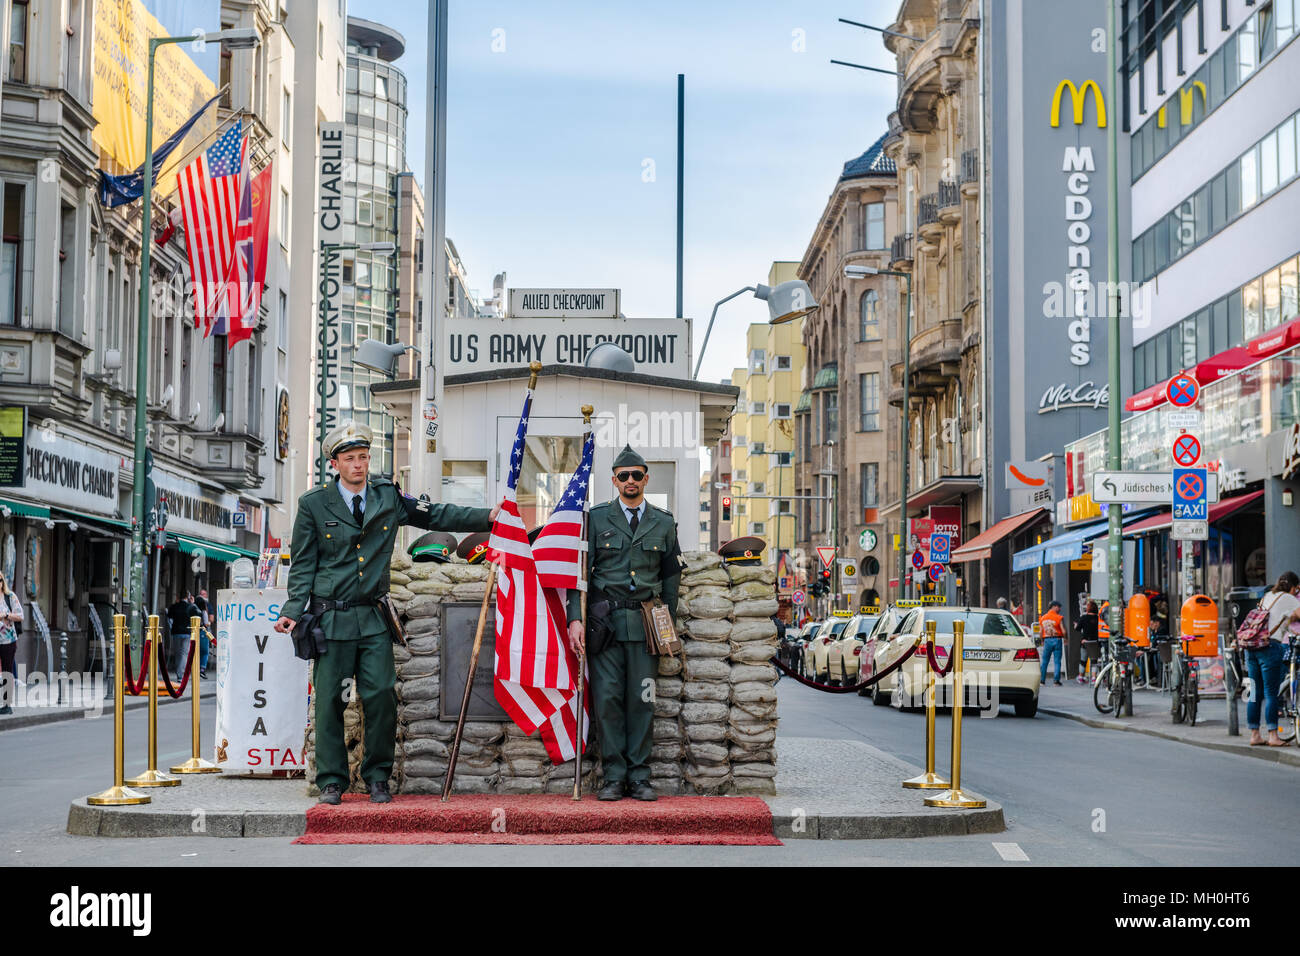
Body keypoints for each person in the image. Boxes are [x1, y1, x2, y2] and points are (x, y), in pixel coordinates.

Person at [274, 421, 497, 805]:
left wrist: (487, 517)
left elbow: (436, 514)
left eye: (363, 457)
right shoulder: (313, 504)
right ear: (334, 463)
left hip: (374, 618)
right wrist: (293, 609)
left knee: (381, 695)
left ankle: (378, 776)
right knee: (329, 700)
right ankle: (332, 780)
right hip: (331, 619)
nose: (358, 465)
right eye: (350, 459)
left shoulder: (387, 497)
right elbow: (304, 563)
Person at [566, 445, 682, 802]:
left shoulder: (663, 522)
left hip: (646, 624)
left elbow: (671, 578)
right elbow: (580, 574)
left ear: (646, 478)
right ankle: (614, 776)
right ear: (614, 480)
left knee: (643, 699)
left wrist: (668, 627)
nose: (630, 481)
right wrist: (575, 619)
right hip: (606, 624)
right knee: (608, 700)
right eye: (623, 475)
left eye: (636, 475)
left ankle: (640, 776)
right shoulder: (597, 518)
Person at [1246, 571, 1300, 747]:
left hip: (1251, 647)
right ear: (1293, 587)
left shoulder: (1268, 595)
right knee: (1271, 693)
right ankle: (1273, 736)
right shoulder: (1290, 599)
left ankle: (1254, 734)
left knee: (1254, 692)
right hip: (1269, 647)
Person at [0, 573, 23, 715]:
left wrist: (6, 615)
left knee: (8, 671)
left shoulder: (10, 597)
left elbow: (20, 616)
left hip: (8, 641)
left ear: (2, 582)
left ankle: (7, 705)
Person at [166, 592, 202, 678]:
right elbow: (199, 614)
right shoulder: (190, 606)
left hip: (176, 632)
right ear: (188, 597)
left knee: (178, 653)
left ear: (178, 596)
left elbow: (169, 615)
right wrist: (193, 603)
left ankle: (179, 671)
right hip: (187, 632)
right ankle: (181, 673)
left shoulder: (174, 606)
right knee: (184, 653)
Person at [1038, 600, 1065, 685]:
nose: (1060, 608)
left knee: (1045, 660)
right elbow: (1063, 631)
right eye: (1058, 607)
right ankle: (1056, 681)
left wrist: (1042, 641)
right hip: (1057, 640)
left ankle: (1042, 680)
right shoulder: (1059, 617)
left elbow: (1040, 632)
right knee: (1057, 661)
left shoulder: (1042, 618)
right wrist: (1066, 638)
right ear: (1054, 607)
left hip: (1047, 640)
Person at [1074, 600, 1100, 684]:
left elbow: (1077, 628)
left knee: (1083, 660)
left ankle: (1081, 677)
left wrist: (1075, 625)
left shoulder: (1084, 618)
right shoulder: (1098, 618)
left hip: (1085, 642)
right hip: (1096, 642)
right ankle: (1093, 678)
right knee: (1094, 660)